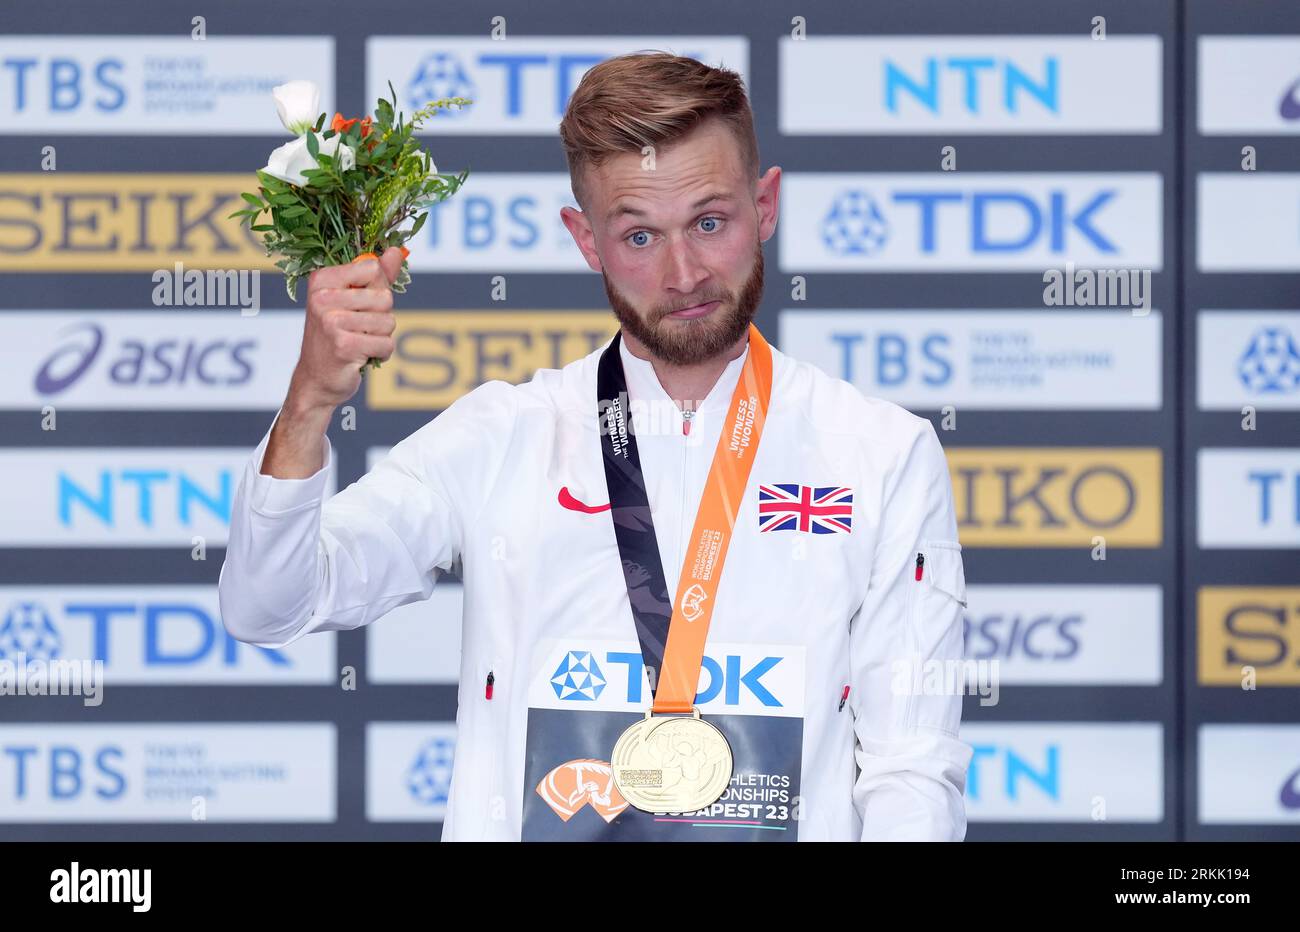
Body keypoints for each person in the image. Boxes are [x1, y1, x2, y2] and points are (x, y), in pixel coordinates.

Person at [219, 51, 972, 841]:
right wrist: (308, 403)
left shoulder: (881, 453)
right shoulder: (502, 436)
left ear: (767, 205)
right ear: (585, 240)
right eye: (639, 235)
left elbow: (911, 772)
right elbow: (269, 605)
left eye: (710, 222)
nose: (683, 273)